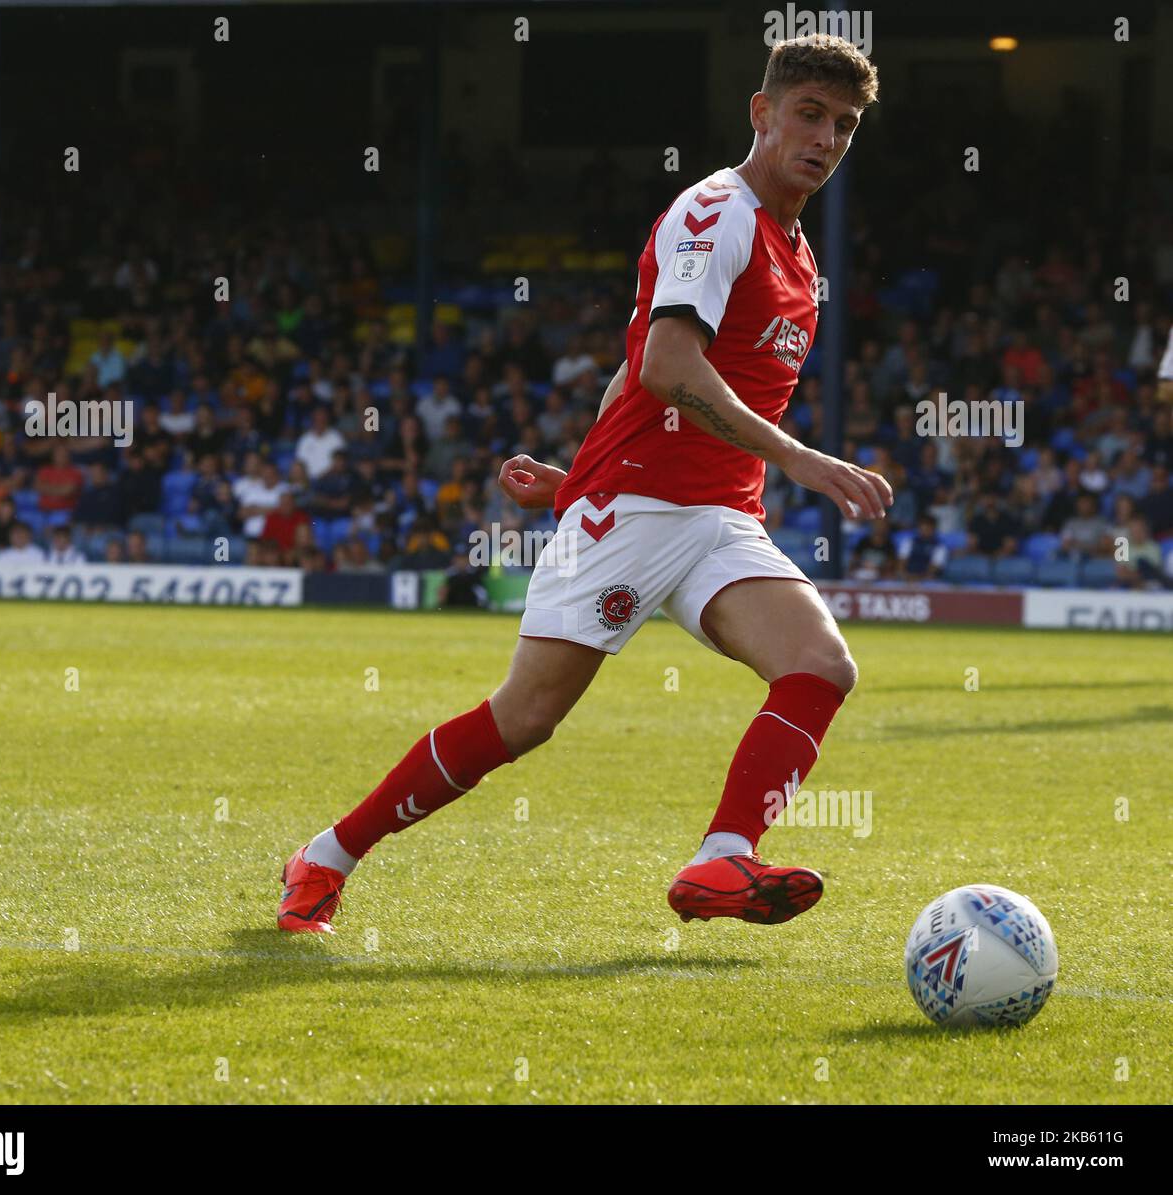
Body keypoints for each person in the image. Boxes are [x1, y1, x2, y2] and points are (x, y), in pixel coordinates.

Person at [279, 35, 889, 935]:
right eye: (809, 114)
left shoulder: (796, 251)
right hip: (641, 508)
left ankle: (721, 861)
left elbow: (630, 365)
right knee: (524, 718)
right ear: (762, 114)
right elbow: (668, 367)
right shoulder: (717, 211)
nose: (826, 137)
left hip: (716, 512)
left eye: (843, 124)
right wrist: (795, 458)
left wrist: (576, 475)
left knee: (819, 666)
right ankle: (325, 856)